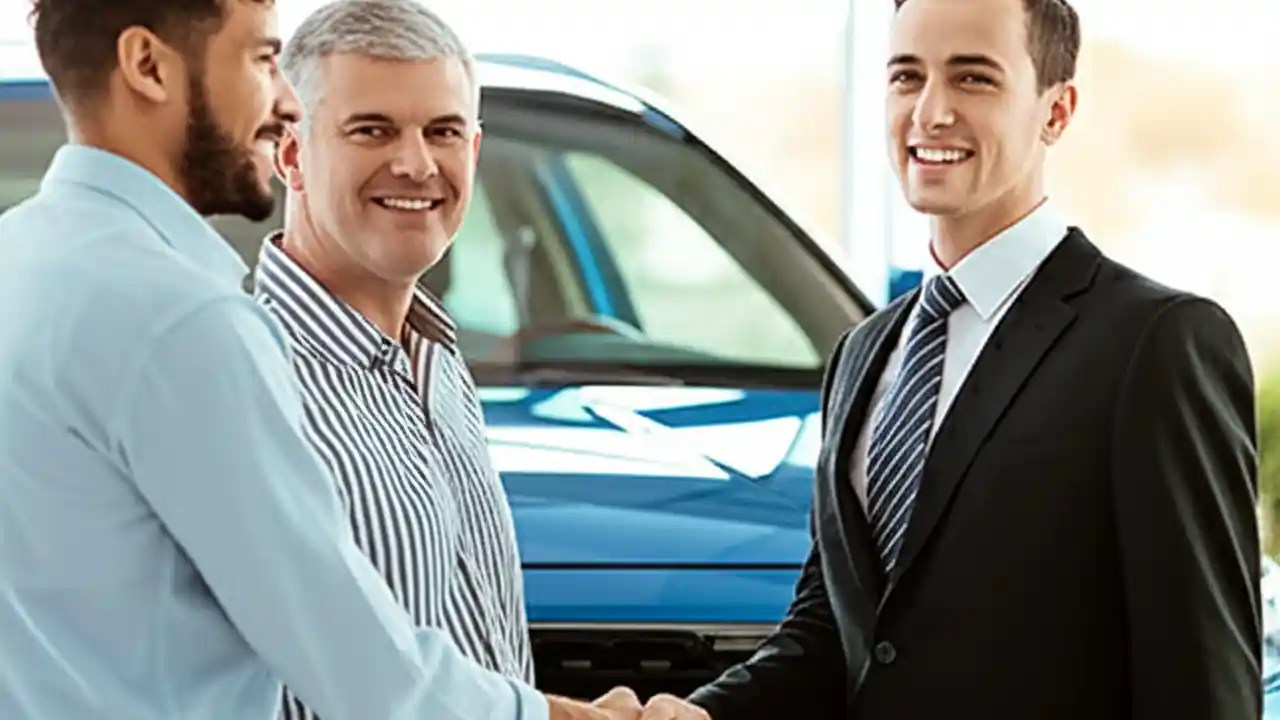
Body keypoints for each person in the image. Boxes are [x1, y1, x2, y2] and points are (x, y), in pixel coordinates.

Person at [0, 1, 637, 718]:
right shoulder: (189, 324)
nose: (279, 106)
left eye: (444, 131)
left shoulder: (21, 262)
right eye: (259, 60)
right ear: (147, 66)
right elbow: (366, 676)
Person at [643, 0, 1261, 718]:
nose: (930, 113)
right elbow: (831, 637)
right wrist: (697, 714)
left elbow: (1203, 680)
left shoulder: (1156, 345)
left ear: (1056, 111)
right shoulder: (862, 354)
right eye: (907, 77)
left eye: (973, 79)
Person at [253, 1, 531, 717]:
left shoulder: (439, 363)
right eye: (371, 130)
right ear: (290, 153)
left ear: (473, 150)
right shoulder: (247, 381)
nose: (416, 164)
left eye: (443, 132)